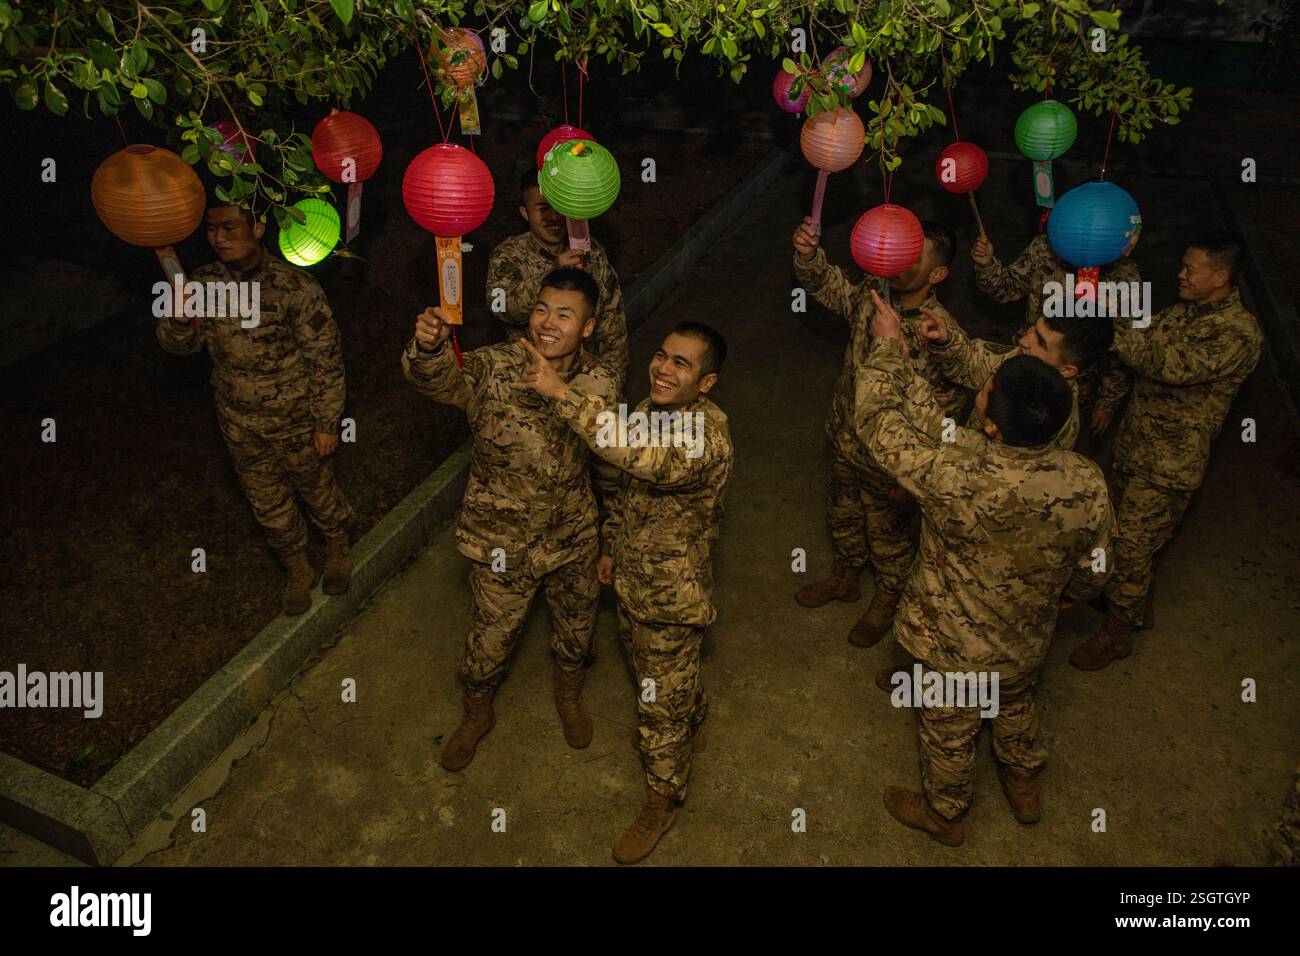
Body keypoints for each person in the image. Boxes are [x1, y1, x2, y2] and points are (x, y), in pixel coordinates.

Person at [857, 289, 1115, 844]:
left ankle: (946, 815)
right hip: (1026, 635)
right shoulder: (1085, 480)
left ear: (993, 426)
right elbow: (1096, 570)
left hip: (954, 647)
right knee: (1015, 700)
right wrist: (1067, 597)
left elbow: (880, 425)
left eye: (988, 391)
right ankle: (1023, 781)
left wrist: (885, 353)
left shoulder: (955, 476)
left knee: (949, 731)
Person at [524, 321, 733, 865]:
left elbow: (644, 460)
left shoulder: (705, 434)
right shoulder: (648, 408)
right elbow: (626, 485)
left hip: (671, 596)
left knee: (658, 706)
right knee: (656, 677)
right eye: (662, 355)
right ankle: (690, 712)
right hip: (633, 580)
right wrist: (612, 544)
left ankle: (663, 796)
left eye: (682, 364)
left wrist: (561, 394)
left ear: (706, 383)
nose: (663, 368)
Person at [401, 268, 619, 770]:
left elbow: (608, 448)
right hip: (501, 540)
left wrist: (610, 538)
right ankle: (477, 710)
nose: (547, 322)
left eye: (565, 315)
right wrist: (431, 348)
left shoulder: (599, 379)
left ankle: (569, 694)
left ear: (587, 327)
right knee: (490, 640)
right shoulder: (497, 364)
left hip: (572, 536)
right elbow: (440, 384)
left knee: (577, 629)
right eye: (542, 309)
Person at [1070, 231, 1263, 671]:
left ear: (1222, 277)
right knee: (1120, 535)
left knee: (1132, 549)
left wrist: (1112, 323)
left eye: (1191, 269)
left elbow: (1170, 366)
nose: (1180, 274)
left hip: (1169, 465)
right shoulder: (1184, 312)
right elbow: (1146, 335)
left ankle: (1119, 633)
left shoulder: (1237, 334)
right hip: (1135, 448)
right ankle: (1133, 601)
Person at [156, 202, 353, 615]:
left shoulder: (294, 287)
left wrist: (326, 422)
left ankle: (337, 548)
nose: (219, 239)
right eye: (211, 230)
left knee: (317, 492)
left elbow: (325, 359)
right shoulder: (204, 284)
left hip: (296, 420)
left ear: (258, 226)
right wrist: (177, 320)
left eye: (229, 228)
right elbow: (183, 347)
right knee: (267, 502)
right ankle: (297, 568)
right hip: (239, 422)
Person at [791, 216, 971, 648]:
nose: (900, 259)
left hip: (891, 460)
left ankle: (888, 598)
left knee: (888, 533)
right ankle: (846, 575)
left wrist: (914, 479)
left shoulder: (938, 332)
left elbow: (946, 408)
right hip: (847, 436)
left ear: (938, 274)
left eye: (915, 254)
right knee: (843, 514)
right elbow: (831, 288)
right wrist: (808, 255)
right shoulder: (876, 290)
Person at [971, 231, 1139, 438]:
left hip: (1074, 380)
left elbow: (1126, 346)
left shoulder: (1127, 277)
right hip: (1023, 358)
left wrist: (1109, 401)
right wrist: (987, 265)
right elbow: (1006, 288)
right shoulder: (1045, 247)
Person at [485, 167, 628, 384]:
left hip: (586, 378)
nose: (554, 216)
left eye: (559, 207)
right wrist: (550, 274)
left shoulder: (590, 251)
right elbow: (502, 308)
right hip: (530, 377)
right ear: (525, 213)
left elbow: (612, 321)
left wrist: (614, 380)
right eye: (543, 209)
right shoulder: (508, 255)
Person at [916, 305, 1116, 452]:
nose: (1023, 340)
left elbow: (995, 465)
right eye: (1034, 329)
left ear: (1067, 370)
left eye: (1040, 341)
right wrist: (946, 342)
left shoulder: (1051, 422)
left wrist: (931, 430)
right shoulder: (1025, 360)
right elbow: (973, 362)